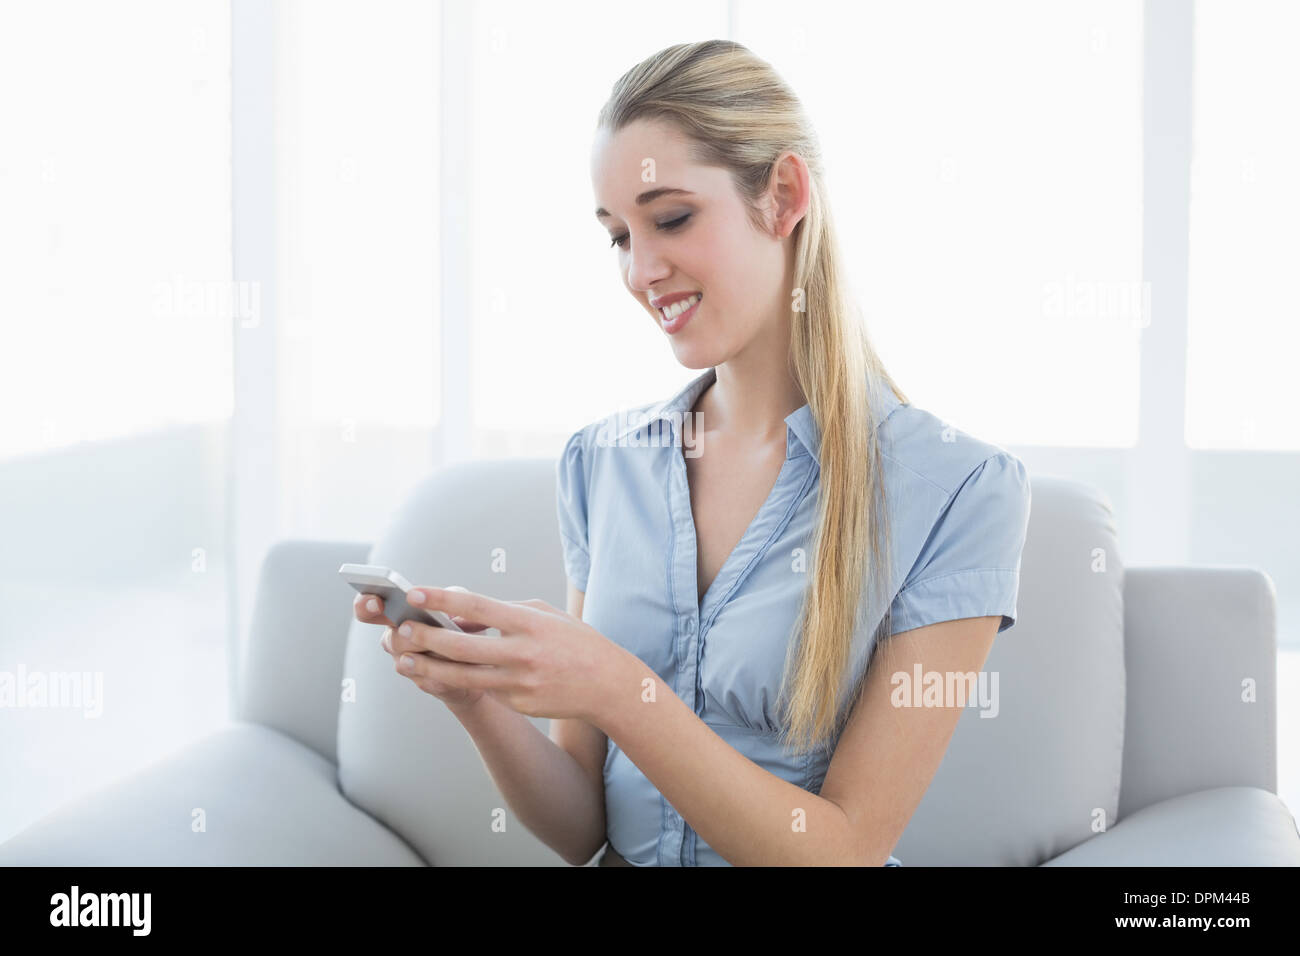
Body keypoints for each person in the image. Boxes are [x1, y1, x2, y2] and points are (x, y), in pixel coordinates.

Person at [360, 39, 1031, 868]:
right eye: (617, 236)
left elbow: (846, 851)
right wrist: (476, 696)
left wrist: (616, 685)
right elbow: (582, 830)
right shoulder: (602, 466)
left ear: (782, 195)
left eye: (671, 218)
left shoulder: (959, 492)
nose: (642, 271)